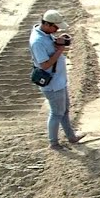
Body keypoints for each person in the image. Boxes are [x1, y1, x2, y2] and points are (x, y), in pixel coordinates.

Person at [29, 9, 84, 150]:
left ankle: (71, 137)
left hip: (59, 80)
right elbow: (44, 64)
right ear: (47, 24)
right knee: (56, 113)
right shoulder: (38, 42)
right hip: (53, 84)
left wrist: (60, 40)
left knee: (64, 110)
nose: (57, 29)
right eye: (55, 27)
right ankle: (53, 143)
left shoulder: (45, 34)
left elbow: (52, 46)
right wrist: (59, 50)